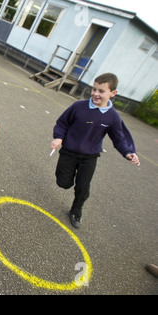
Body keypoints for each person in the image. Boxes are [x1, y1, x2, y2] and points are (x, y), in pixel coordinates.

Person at [50, 73, 140, 229]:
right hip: (69, 152)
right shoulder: (78, 107)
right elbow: (62, 123)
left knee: (83, 188)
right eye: (94, 89)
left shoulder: (113, 117)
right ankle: (66, 180)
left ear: (113, 93)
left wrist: (128, 152)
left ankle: (76, 210)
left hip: (90, 156)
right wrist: (59, 137)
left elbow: (119, 138)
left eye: (101, 91)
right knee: (63, 183)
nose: (96, 94)